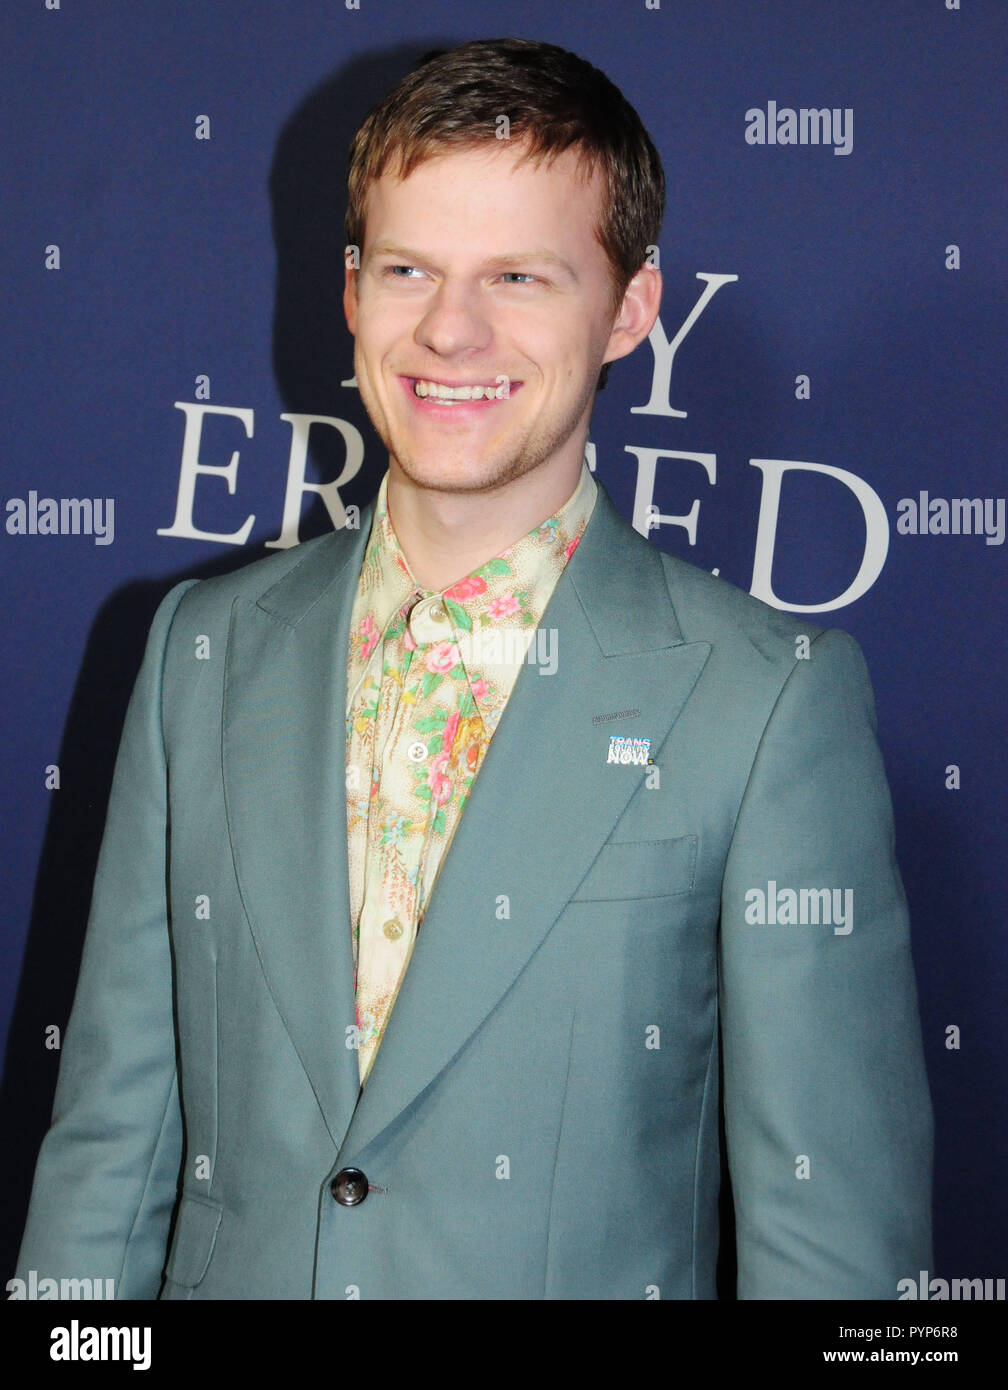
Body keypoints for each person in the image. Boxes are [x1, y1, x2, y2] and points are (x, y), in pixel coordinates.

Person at [14, 36, 932, 1300]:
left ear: (629, 308)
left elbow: (835, 1258)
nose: (451, 329)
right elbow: (106, 1163)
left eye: (517, 274)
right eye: (409, 269)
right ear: (350, 289)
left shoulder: (767, 700)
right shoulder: (199, 652)